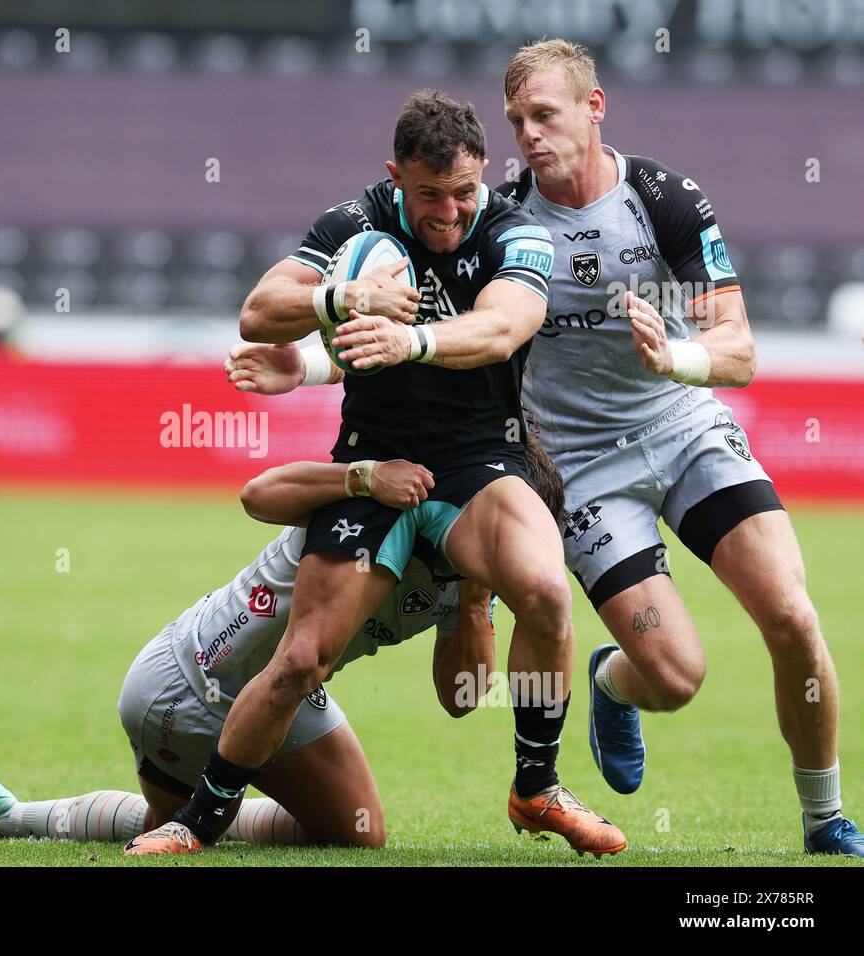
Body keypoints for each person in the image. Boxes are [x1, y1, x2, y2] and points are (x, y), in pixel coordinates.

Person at [126, 90, 624, 857]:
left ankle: (536, 787)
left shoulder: (514, 230)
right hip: (373, 455)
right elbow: (259, 313)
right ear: (396, 178)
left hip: (479, 459)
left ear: (483, 172)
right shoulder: (352, 224)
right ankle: (197, 823)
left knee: (547, 591)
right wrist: (344, 296)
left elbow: (505, 327)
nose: (449, 213)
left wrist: (411, 339)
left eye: (464, 191)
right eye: (429, 195)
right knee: (300, 661)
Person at [495, 38, 861, 856]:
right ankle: (611, 680)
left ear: (594, 108)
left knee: (792, 616)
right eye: (517, 120)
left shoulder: (662, 198)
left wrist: (677, 358)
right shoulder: (506, 220)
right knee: (675, 677)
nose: (529, 135)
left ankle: (824, 820)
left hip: (682, 425)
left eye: (545, 114)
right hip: (584, 469)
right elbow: (483, 350)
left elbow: (739, 348)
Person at [0, 436, 565, 849]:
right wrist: (360, 475)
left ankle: (209, 808)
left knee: (357, 834)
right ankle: (19, 818)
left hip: (287, 691)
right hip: (193, 680)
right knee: (167, 823)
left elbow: (461, 698)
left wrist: (476, 599)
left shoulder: (467, 577)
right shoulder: (390, 495)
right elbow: (257, 492)